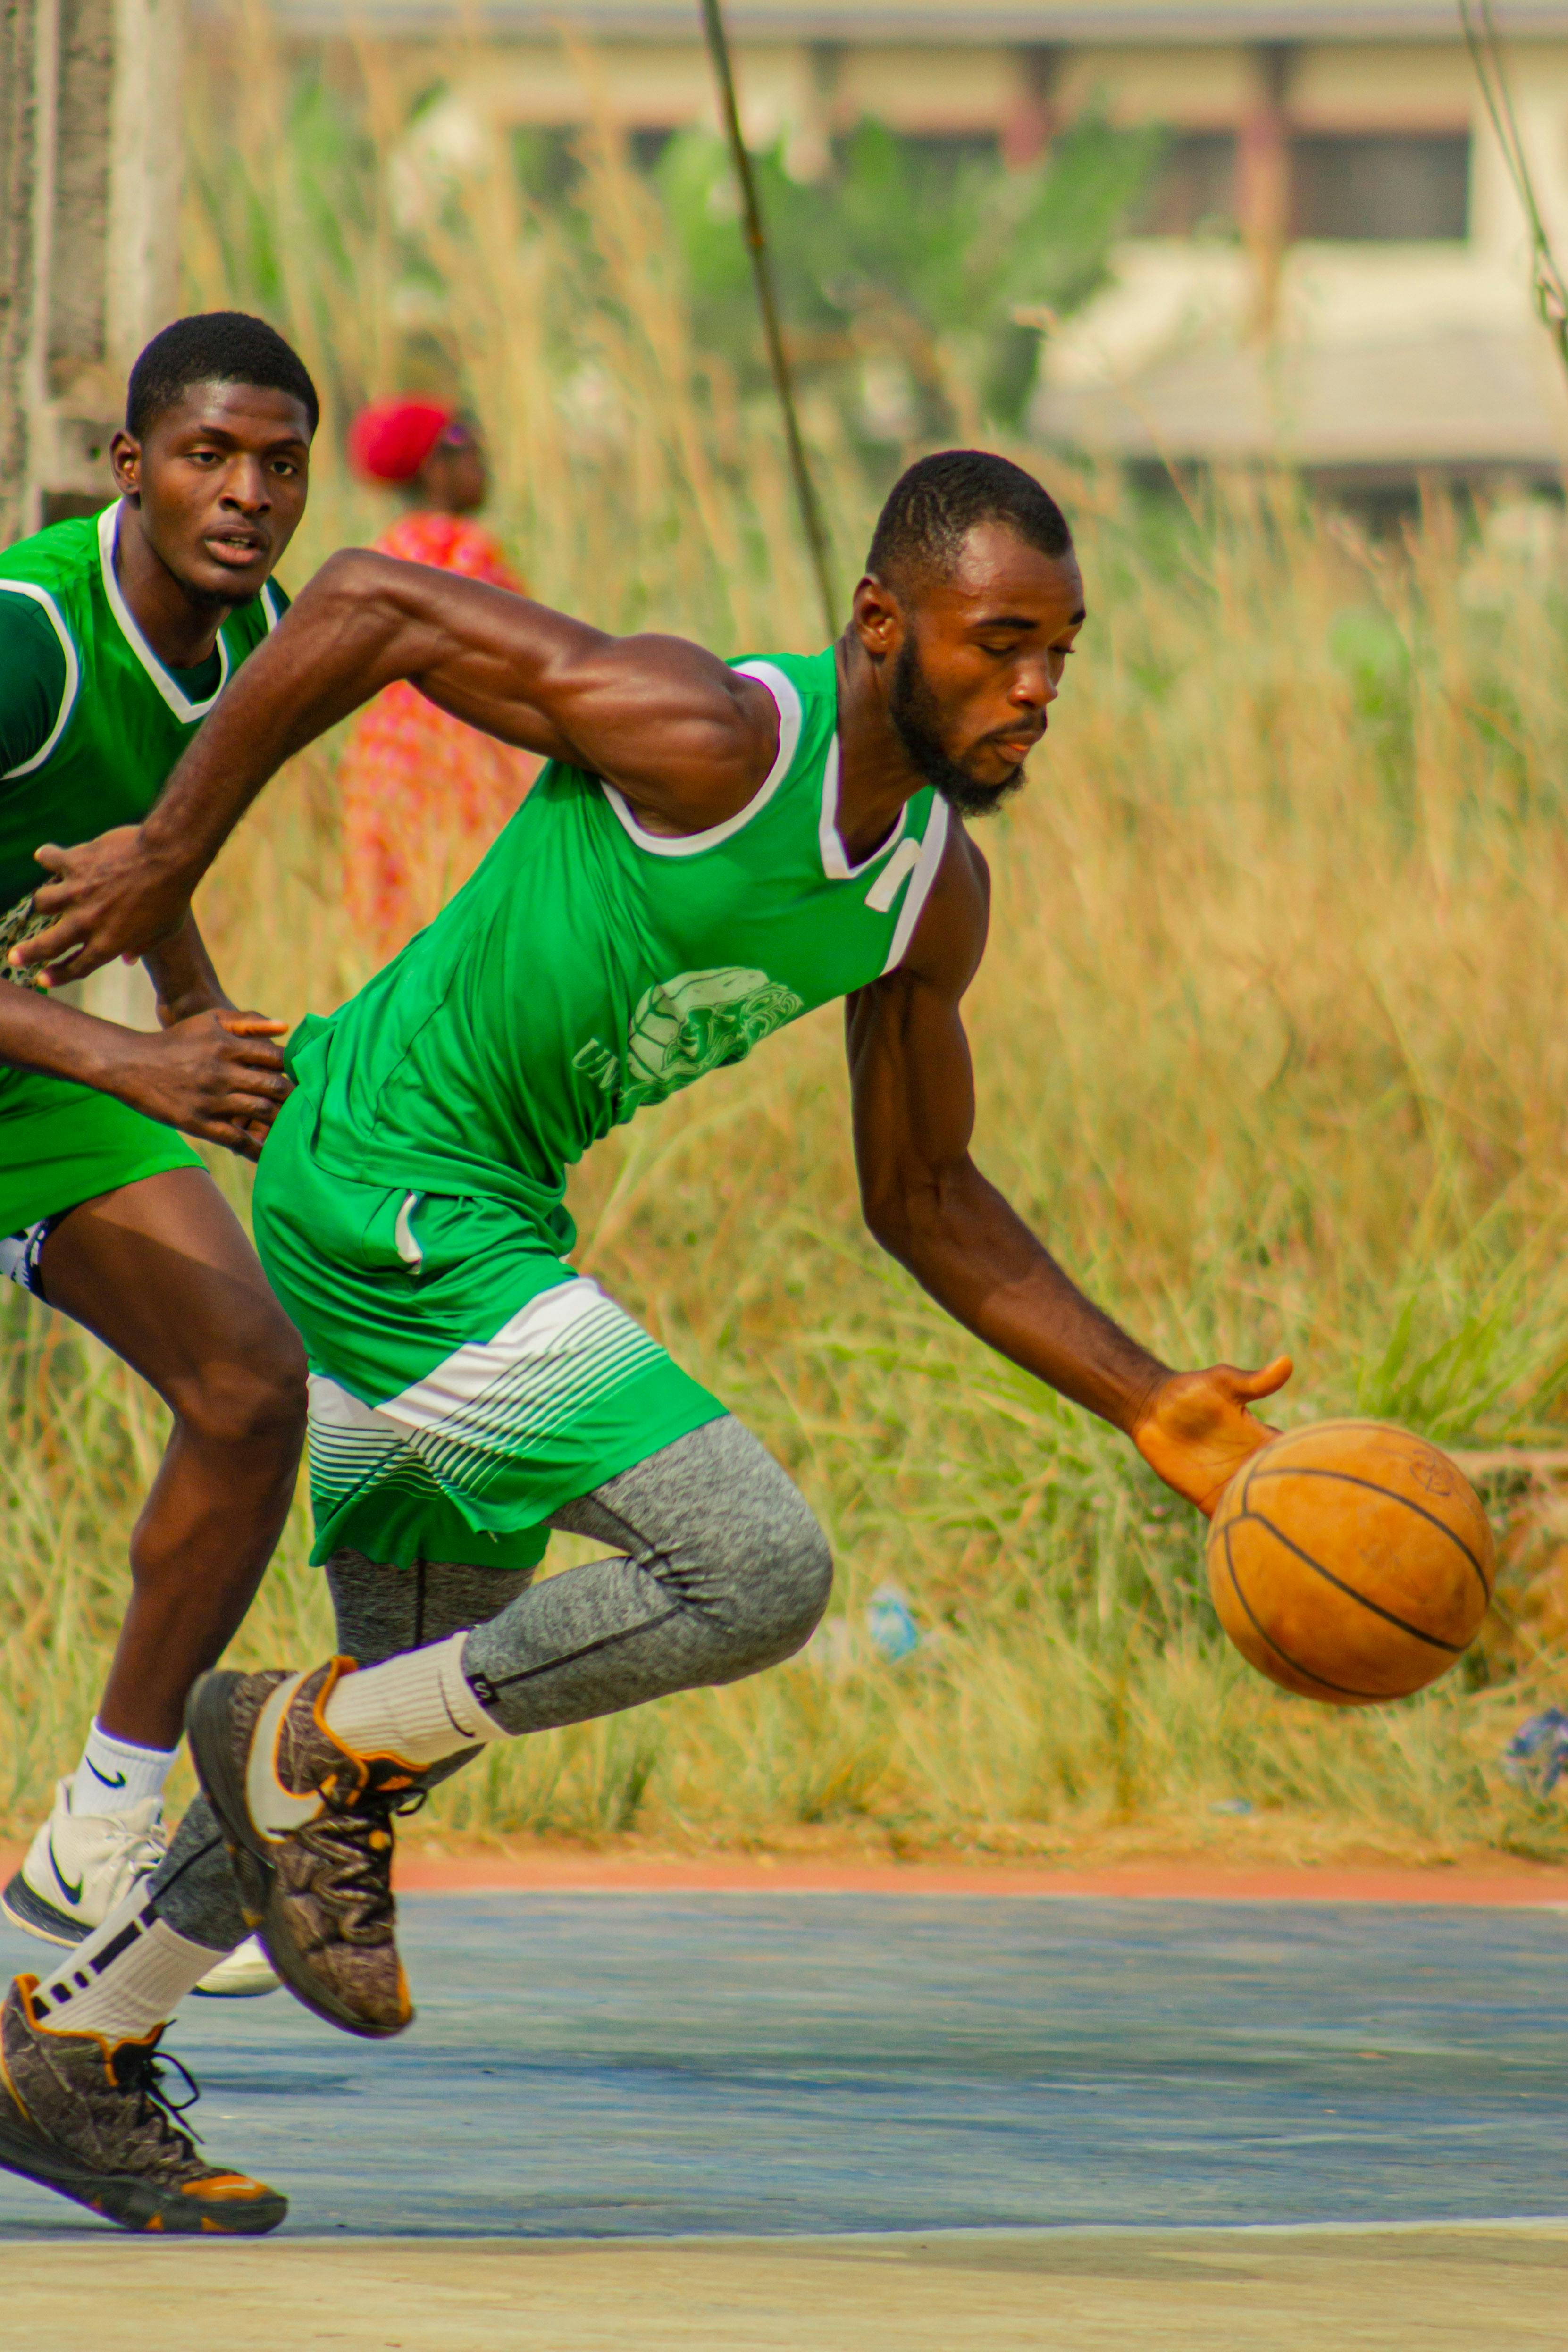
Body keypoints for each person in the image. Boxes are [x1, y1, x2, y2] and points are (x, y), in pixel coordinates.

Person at [0, 450, 1293, 2233]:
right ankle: (300, 1734)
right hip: (385, 1185)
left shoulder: (926, 893)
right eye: (1003, 644)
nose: (1037, 690)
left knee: (371, 1750)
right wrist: (169, 849)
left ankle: (73, 2045)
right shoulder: (708, 736)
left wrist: (1152, 1398)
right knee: (755, 1569)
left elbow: (922, 1196)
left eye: (1062, 651)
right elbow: (371, 599)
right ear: (879, 623)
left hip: (472, 1212)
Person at [0, 312, 316, 2008]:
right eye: (207, 455)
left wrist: (206, 1026)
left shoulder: (248, 627)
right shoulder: (28, 638)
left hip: (24, 1071)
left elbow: (146, 848)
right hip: (52, 1049)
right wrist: (139, 1054)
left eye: (279, 464)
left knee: (256, 1382)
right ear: (128, 466)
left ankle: (100, 1832)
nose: (245, 492)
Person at [337, 399, 536, 960]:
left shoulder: (386, 552)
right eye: (471, 449)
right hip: (453, 759)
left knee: (400, 941)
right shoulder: (465, 551)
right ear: (435, 466)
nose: (484, 465)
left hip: (383, 765)